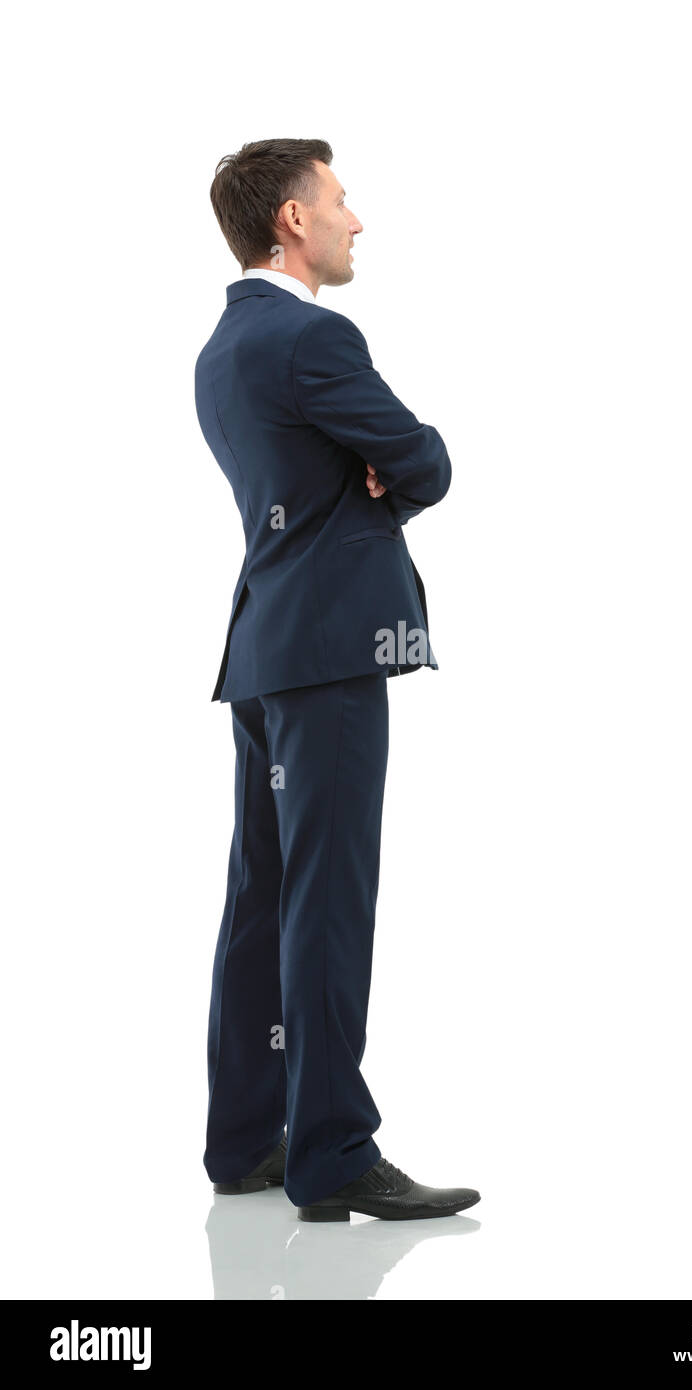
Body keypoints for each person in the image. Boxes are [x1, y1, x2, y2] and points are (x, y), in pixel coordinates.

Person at [194, 139, 479, 1221]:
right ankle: (330, 1153)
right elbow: (425, 460)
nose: (357, 220)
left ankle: (243, 1138)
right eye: (341, 200)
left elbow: (326, 475)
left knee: (263, 896)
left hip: (265, 649)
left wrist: (368, 476)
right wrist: (394, 481)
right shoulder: (314, 338)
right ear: (292, 223)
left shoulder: (222, 348)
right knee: (327, 896)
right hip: (327, 655)